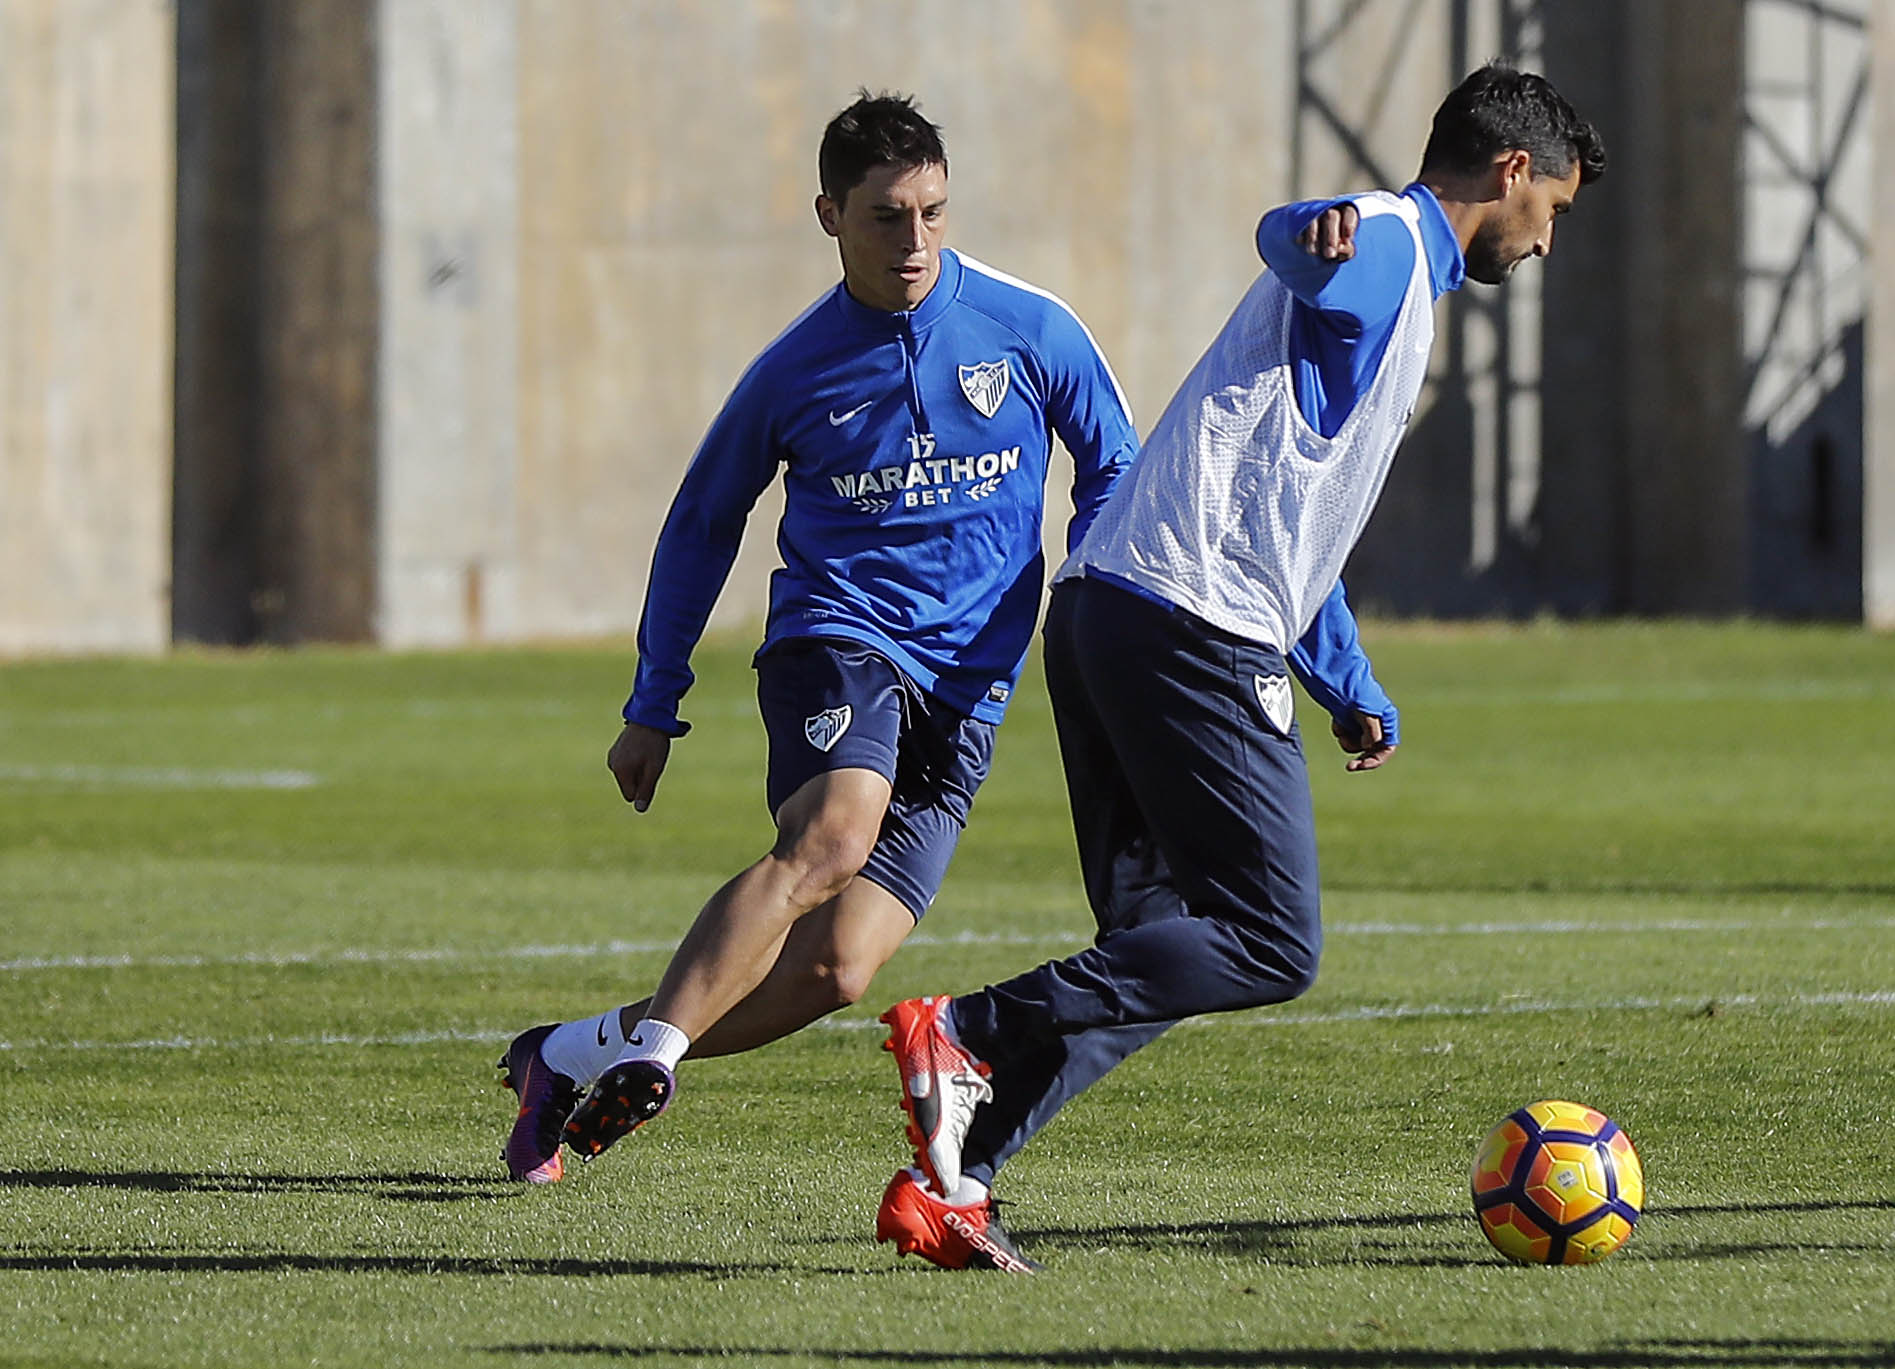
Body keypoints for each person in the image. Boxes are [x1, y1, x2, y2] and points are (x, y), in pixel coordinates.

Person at [873, 63, 1607, 1273]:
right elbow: (1300, 244)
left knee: (1155, 958)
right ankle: (966, 1028)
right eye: (1555, 214)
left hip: (1116, 612)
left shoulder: (1396, 274)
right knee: (1270, 941)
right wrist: (1300, 229)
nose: (1543, 244)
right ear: (1512, 172)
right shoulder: (1388, 243)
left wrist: (1347, 680)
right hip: (1185, 626)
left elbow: (1284, 508)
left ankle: (955, 1178)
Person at [495, 90, 1138, 1187]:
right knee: (834, 838)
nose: (916, 242)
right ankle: (655, 1059)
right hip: (837, 642)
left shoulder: (1029, 326)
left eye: (933, 212)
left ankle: (565, 1056)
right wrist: (653, 702)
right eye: (888, 217)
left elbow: (1116, 467)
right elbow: (702, 524)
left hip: (971, 693)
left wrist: (1093, 596)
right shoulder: (794, 369)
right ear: (829, 216)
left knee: (835, 971)